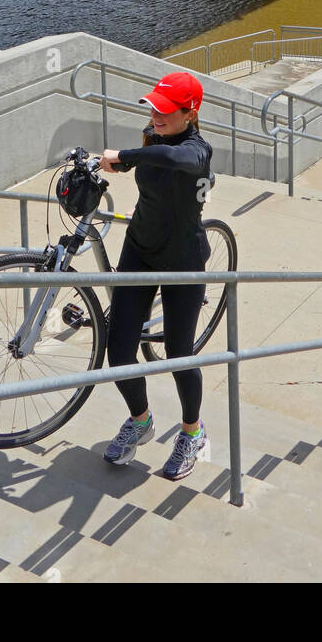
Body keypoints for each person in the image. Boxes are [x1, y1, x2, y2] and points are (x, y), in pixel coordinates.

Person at [99, 69, 213, 481]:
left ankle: (192, 432)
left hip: (182, 259)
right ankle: (141, 420)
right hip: (140, 250)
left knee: (179, 353)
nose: (157, 118)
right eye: (154, 109)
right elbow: (139, 165)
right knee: (119, 350)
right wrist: (104, 166)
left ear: (190, 112)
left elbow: (170, 159)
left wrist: (126, 155)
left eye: (166, 112)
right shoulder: (154, 134)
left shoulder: (196, 150)